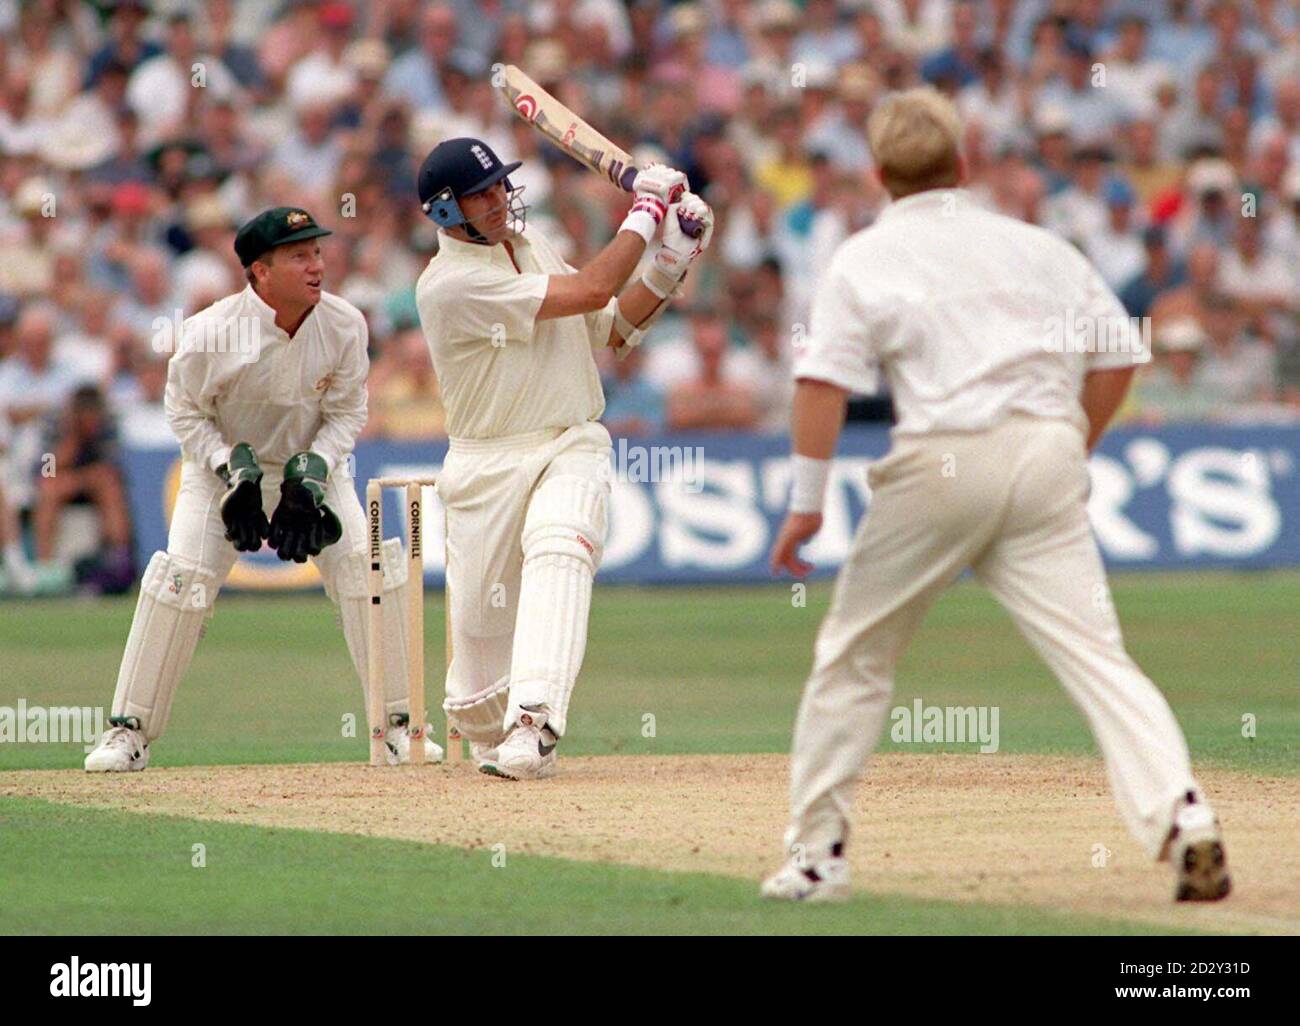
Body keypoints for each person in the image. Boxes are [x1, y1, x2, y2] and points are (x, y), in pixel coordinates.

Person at [762, 90, 1230, 904]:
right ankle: (1183, 815)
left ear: (878, 174)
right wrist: (1065, 448)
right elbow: (1120, 354)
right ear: (965, 162)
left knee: (854, 659)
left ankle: (817, 858)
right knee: (1097, 655)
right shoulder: (1035, 244)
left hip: (944, 461)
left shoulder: (865, 256)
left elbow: (821, 382)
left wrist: (805, 504)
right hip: (1046, 452)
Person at [83, 206, 443, 771]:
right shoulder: (209, 332)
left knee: (367, 570)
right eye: (299, 256)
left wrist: (315, 468)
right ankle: (128, 732)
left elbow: (349, 411)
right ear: (260, 270)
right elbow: (183, 412)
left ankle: (399, 727)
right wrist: (231, 467)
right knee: (181, 582)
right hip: (223, 475)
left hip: (313, 474)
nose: (317, 265)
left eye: (318, 253)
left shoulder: (346, 323)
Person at [414, 137, 712, 780]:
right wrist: (643, 212)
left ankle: (536, 726)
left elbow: (610, 326)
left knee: (561, 546)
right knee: (476, 706)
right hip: (487, 465)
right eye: (482, 195)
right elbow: (594, 286)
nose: (499, 202)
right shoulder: (448, 286)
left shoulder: (531, 247)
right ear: (444, 212)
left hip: (569, 441)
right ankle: (505, 721)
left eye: (501, 188)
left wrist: (669, 262)